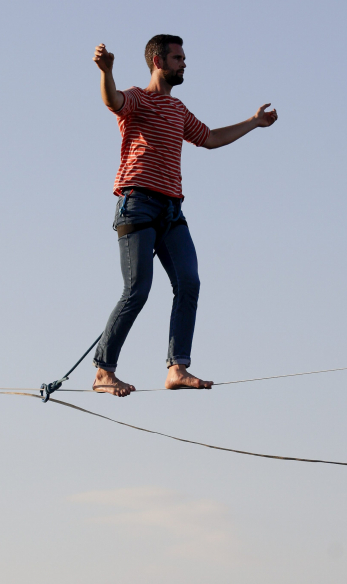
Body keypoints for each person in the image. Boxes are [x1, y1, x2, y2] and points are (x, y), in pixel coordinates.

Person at [92, 34, 277, 396]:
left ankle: (177, 368)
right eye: (178, 58)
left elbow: (210, 138)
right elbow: (113, 101)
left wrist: (253, 122)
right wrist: (106, 72)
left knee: (189, 283)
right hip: (138, 202)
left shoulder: (178, 110)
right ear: (158, 62)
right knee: (137, 290)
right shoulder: (138, 98)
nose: (184, 63)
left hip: (171, 210)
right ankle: (104, 371)